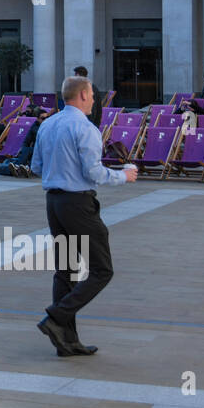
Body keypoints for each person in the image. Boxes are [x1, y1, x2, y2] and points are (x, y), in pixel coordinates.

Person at [30, 75, 137, 357]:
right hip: (78, 203)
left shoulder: (48, 124)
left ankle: (66, 341)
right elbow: (94, 173)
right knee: (102, 270)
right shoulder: (85, 128)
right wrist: (124, 176)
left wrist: (60, 171)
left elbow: (36, 166)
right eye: (92, 95)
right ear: (83, 95)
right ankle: (56, 317)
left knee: (65, 271)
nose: (94, 100)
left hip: (54, 202)